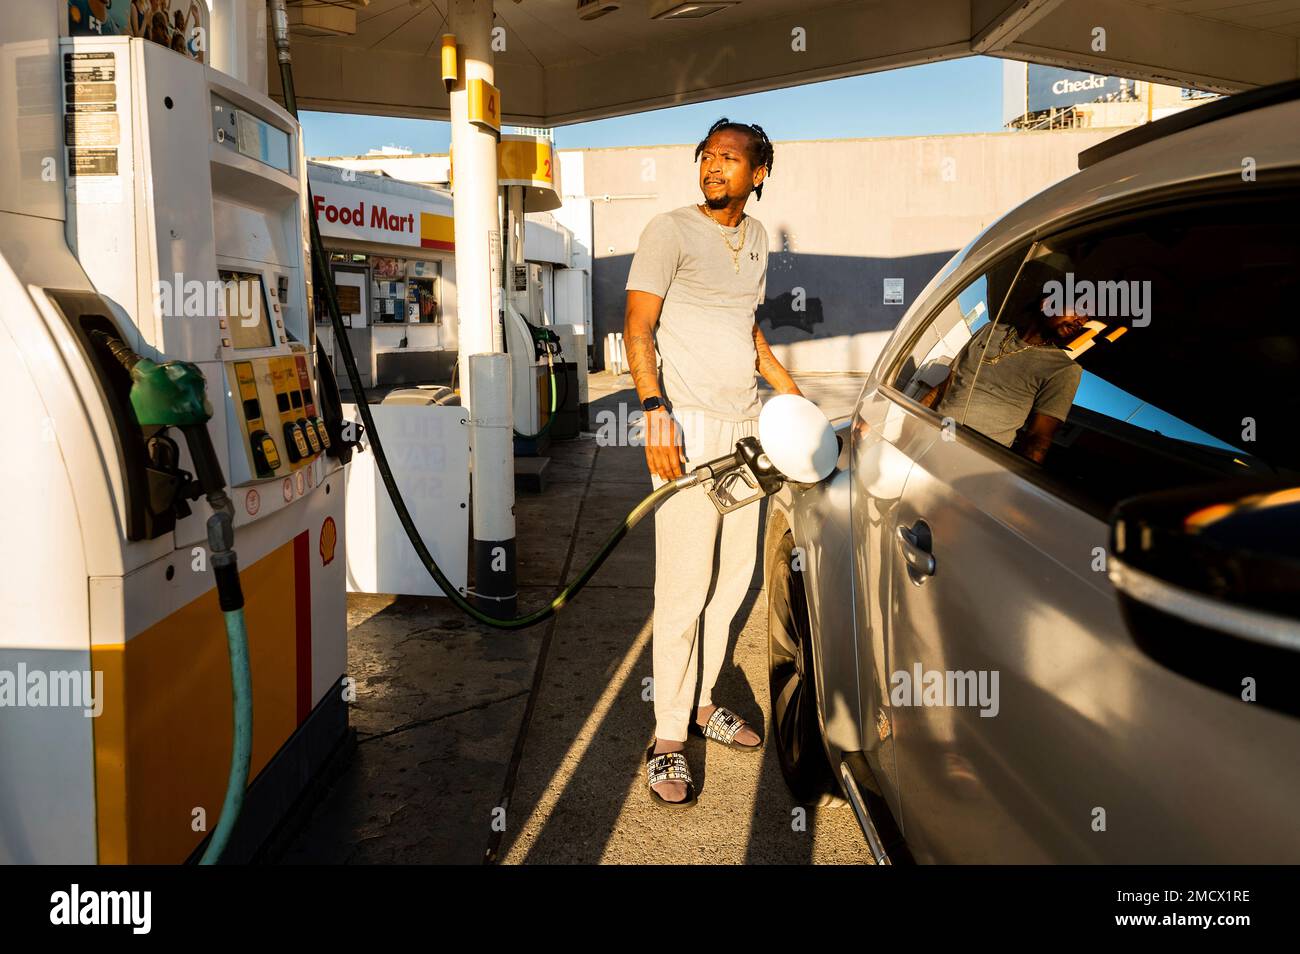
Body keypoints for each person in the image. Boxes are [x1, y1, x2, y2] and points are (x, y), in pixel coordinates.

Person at [624, 118, 803, 808]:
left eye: (730, 158)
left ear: (758, 173)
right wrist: (652, 409)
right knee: (683, 590)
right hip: (688, 431)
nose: (715, 166)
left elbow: (747, 329)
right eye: (708, 155)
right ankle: (668, 739)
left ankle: (702, 704)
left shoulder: (755, 239)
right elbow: (638, 325)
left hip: (746, 432)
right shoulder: (669, 231)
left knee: (733, 583)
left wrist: (793, 397)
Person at [921, 262, 1085, 464]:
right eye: (1077, 310)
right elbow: (943, 387)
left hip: (972, 463)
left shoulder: (1065, 370)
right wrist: (906, 424)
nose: (1081, 321)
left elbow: (1037, 441)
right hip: (926, 439)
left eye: (1085, 318)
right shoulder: (990, 331)